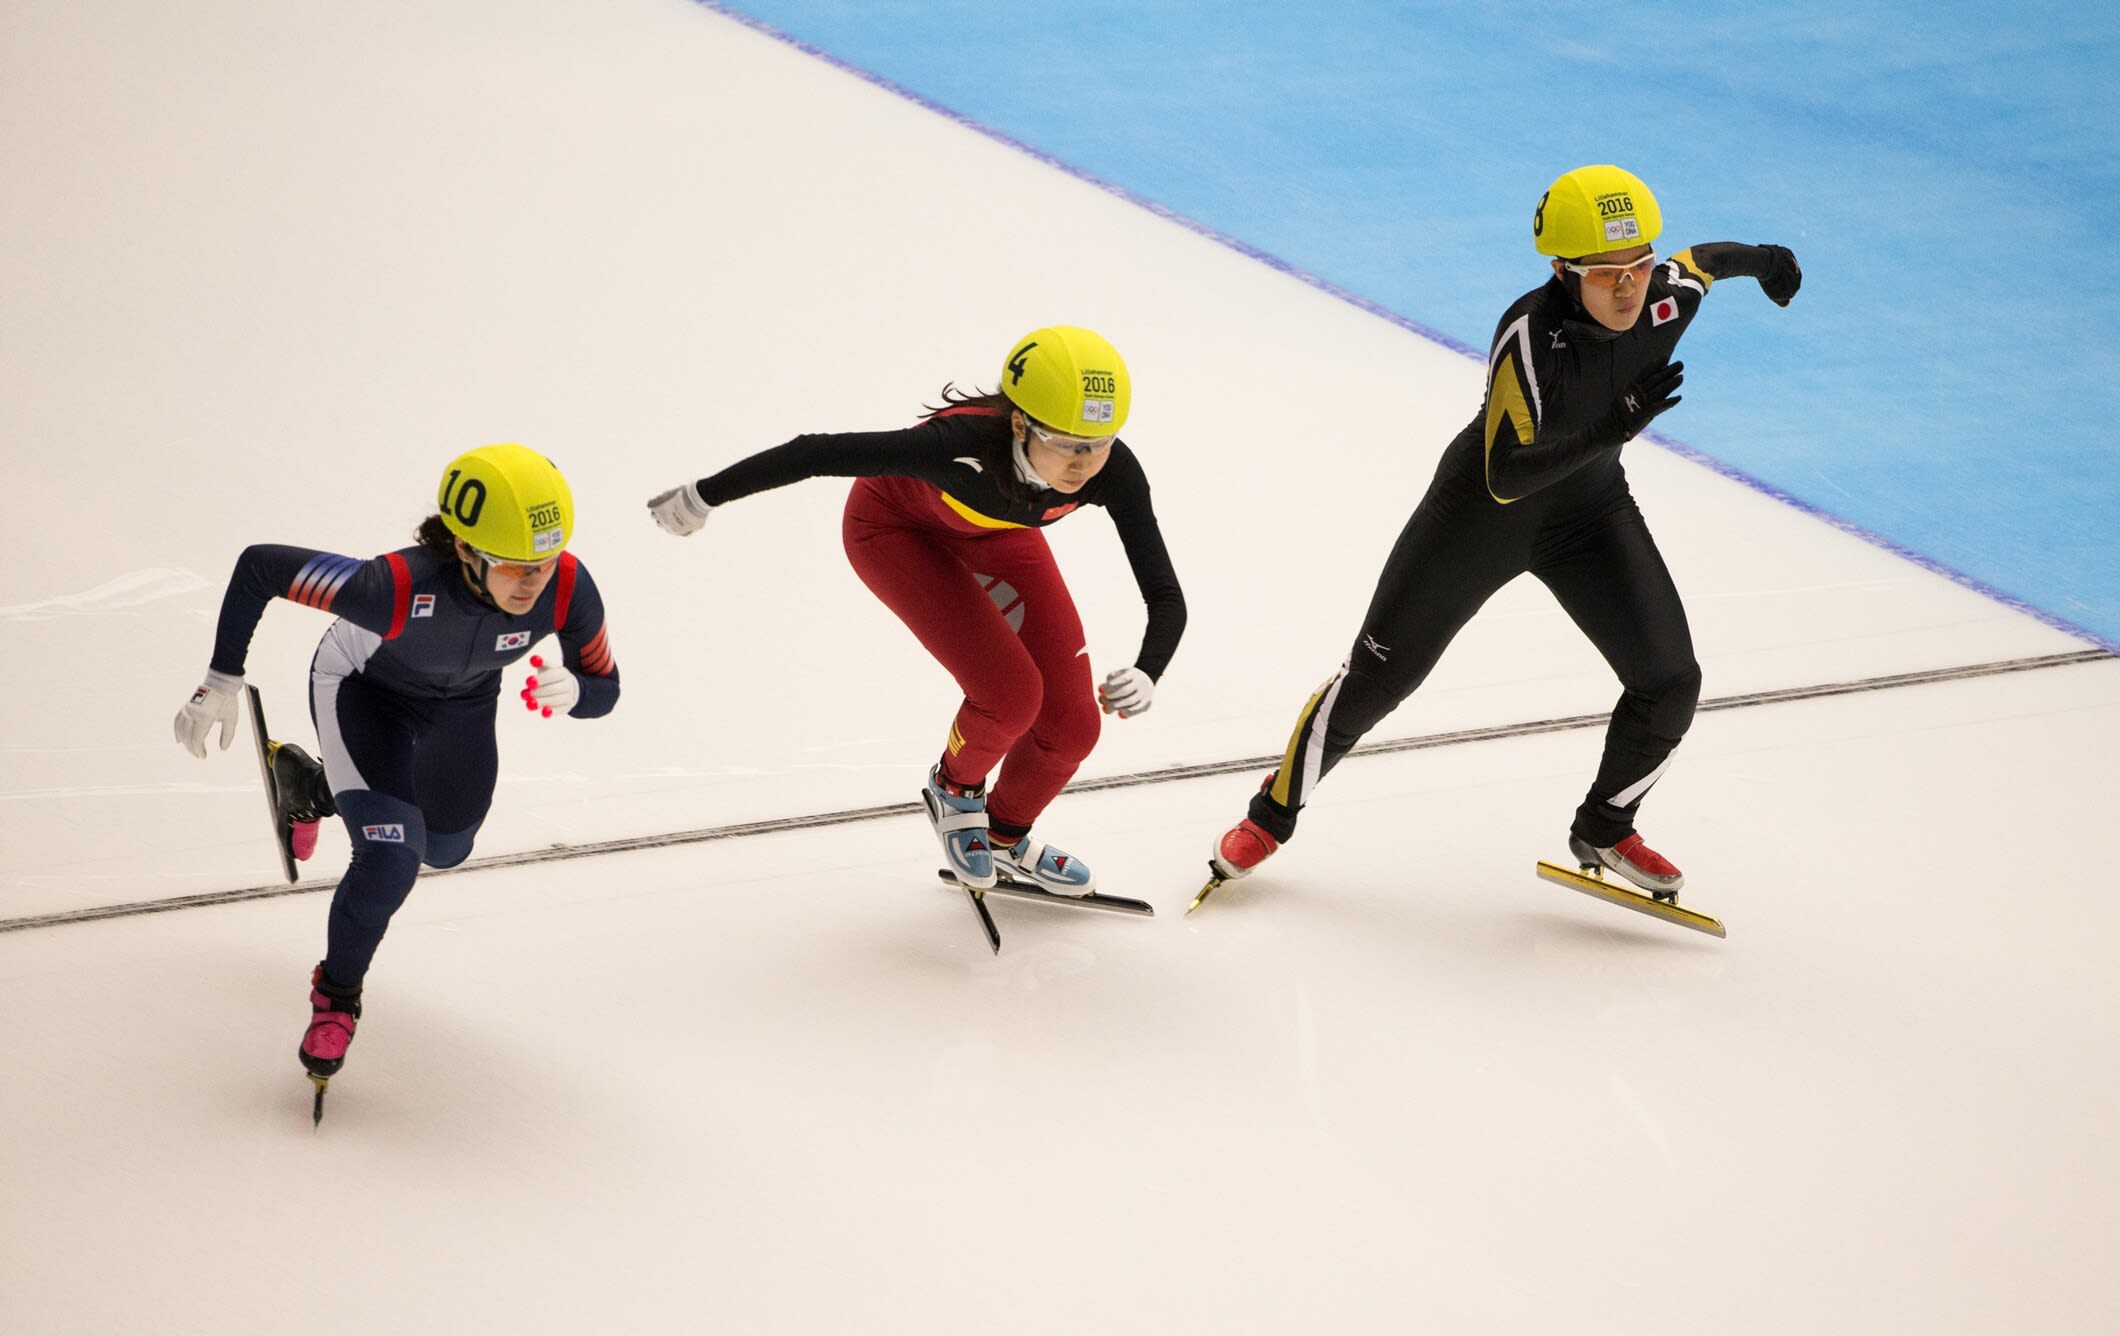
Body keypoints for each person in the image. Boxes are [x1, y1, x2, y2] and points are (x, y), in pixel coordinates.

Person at [1207, 165, 1801, 901]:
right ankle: (1271, 815)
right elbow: (1507, 475)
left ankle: (1608, 825)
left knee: (1672, 679)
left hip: (1588, 514)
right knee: (1380, 677)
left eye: (1639, 266)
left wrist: (1768, 259)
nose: (1628, 287)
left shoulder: (1663, 297)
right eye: (1606, 273)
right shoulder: (1530, 332)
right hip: (1480, 517)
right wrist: (1614, 426)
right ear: (1561, 270)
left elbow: (1705, 261)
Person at [647, 325, 1184, 895]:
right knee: (1009, 698)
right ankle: (954, 790)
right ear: (1021, 424)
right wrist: (703, 495)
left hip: (999, 536)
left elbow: (1164, 593)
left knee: (1074, 727)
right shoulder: (958, 445)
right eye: (1066, 443)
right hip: (893, 531)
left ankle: (1003, 839)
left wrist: (1150, 667)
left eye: (1097, 444)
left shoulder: (1114, 469)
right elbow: (814, 453)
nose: (1083, 464)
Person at [173, 444, 621, 1088]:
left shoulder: (570, 586)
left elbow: (606, 688)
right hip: (363, 691)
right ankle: (337, 998)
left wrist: (579, 693)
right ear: (466, 549)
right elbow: (260, 568)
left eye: (545, 563)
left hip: (462, 705)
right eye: (515, 567)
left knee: (446, 846)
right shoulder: (393, 587)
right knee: (392, 856)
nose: (534, 583)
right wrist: (220, 678)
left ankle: (313, 784)